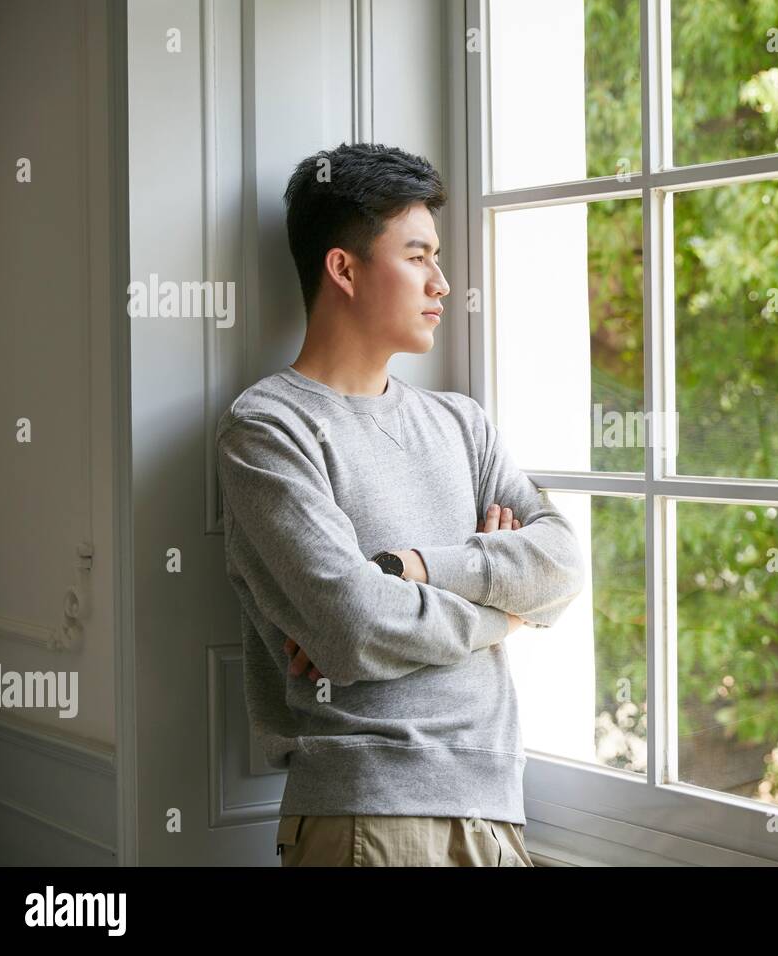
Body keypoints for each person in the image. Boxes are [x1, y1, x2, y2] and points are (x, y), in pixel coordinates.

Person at [214, 143, 585, 866]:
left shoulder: (463, 424)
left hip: (497, 816)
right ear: (343, 268)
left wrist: (412, 567)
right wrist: (506, 613)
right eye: (417, 257)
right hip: (365, 817)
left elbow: (563, 566)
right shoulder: (267, 428)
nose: (442, 283)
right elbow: (352, 626)